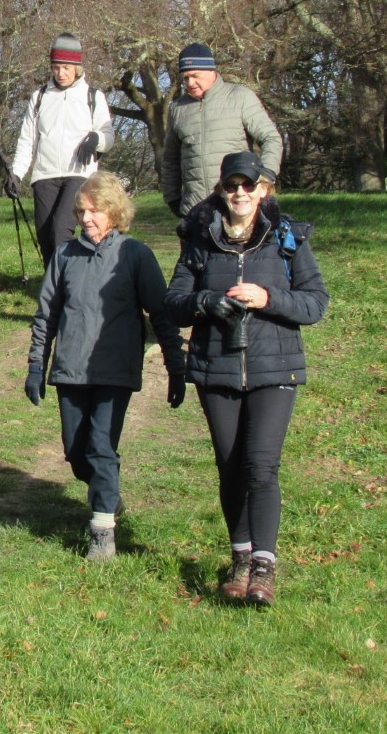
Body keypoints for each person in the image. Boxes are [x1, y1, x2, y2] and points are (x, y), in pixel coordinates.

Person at [164, 151, 329, 607]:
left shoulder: (287, 239)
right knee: (230, 465)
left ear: (263, 190)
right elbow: (172, 299)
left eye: (248, 185)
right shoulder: (200, 238)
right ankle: (239, 558)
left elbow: (315, 302)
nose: (239, 193)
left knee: (261, 465)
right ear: (221, 190)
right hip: (216, 367)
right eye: (231, 185)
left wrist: (268, 297)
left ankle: (264, 567)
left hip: (274, 367)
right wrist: (206, 302)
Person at [25, 172, 187, 563]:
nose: (86, 218)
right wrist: (36, 365)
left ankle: (102, 533)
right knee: (77, 454)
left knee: (100, 447)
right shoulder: (65, 255)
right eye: (82, 211)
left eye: (94, 211)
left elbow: (161, 314)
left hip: (115, 371)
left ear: (115, 212)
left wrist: (176, 367)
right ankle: (108, 494)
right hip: (70, 371)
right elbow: (45, 315)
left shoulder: (135, 255)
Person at [6, 32, 116, 265]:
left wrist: (95, 139)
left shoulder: (93, 96)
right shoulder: (39, 97)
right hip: (45, 175)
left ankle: (66, 287)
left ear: (77, 67)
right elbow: (27, 140)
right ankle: (53, 286)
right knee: (45, 237)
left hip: (80, 175)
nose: (61, 73)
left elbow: (108, 135)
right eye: (56, 67)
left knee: (60, 231)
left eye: (66, 67)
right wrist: (16, 174)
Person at [161, 43, 284, 218]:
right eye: (185, 77)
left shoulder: (240, 97)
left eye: (195, 76)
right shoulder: (177, 108)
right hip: (194, 209)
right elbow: (170, 159)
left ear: (212, 71)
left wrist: (265, 176)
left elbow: (271, 138)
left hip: (237, 206)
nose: (190, 83)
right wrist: (172, 198)